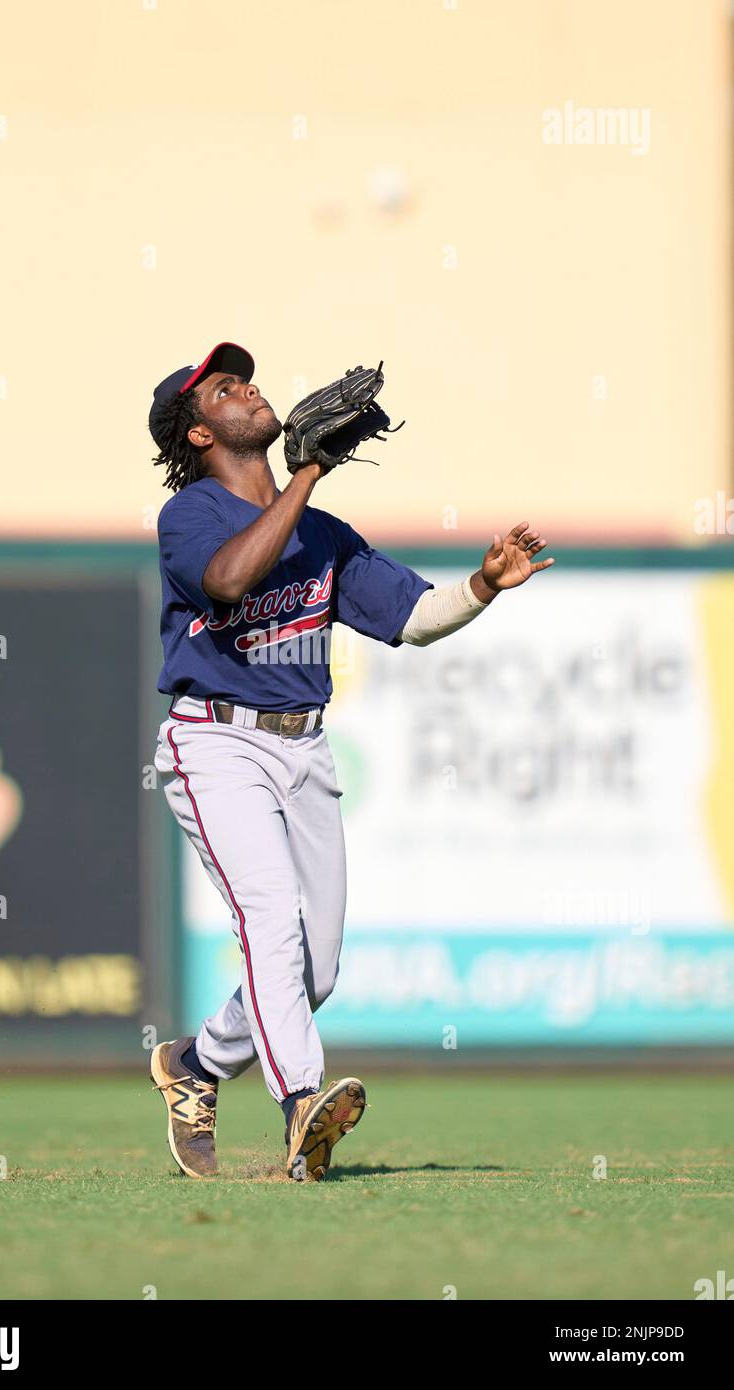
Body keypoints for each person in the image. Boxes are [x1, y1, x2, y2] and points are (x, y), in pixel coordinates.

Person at [146, 341, 554, 1182]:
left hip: (304, 745)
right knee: (269, 918)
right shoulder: (190, 517)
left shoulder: (323, 534)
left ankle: (196, 1064)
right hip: (216, 739)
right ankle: (301, 1101)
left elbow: (411, 618)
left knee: (315, 966)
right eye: (226, 388)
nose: (250, 388)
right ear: (197, 436)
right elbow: (227, 581)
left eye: (246, 376)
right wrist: (304, 477)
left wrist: (481, 587)